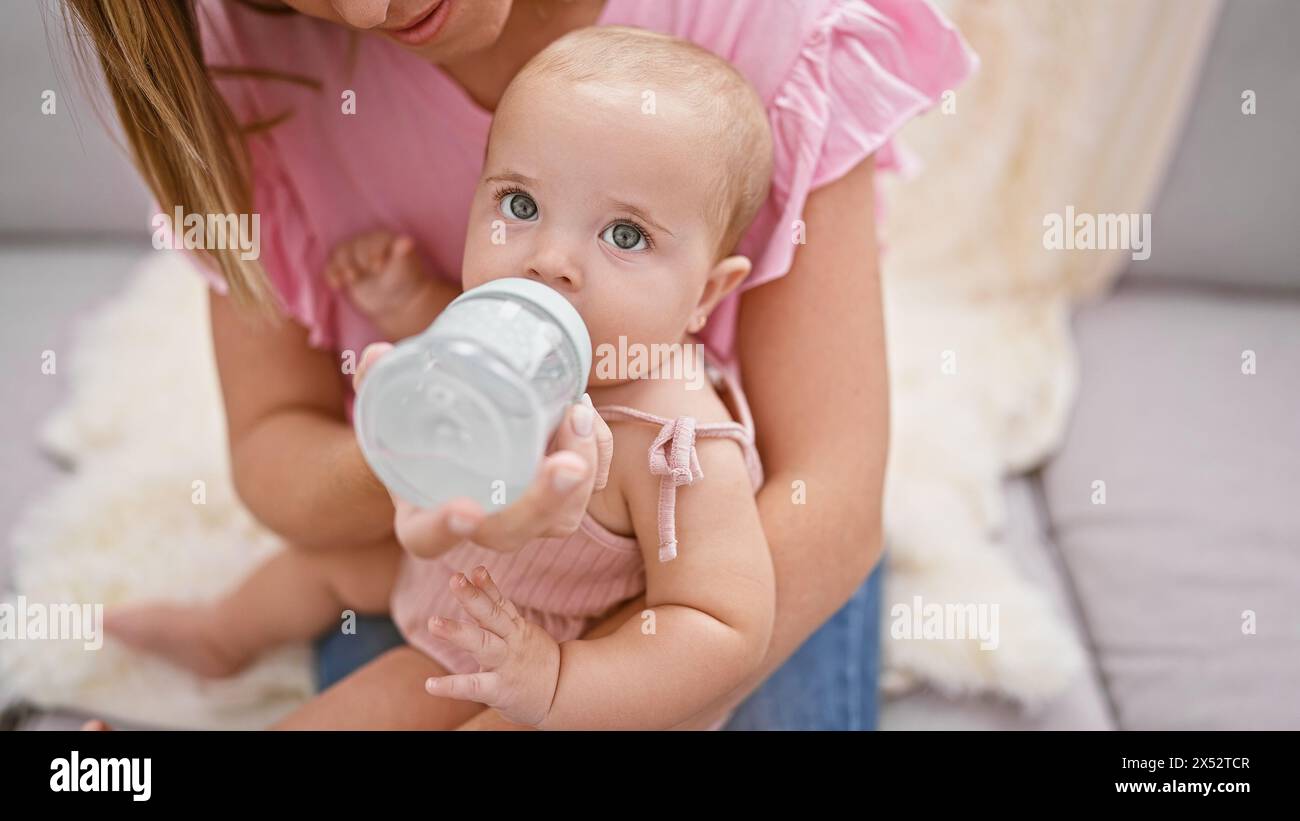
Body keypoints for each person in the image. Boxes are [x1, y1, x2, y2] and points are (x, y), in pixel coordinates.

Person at [64, 0, 976, 729]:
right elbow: (413, 356)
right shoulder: (499, 319)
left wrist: (555, 684)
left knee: (363, 707)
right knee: (316, 570)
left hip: (530, 630)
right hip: (433, 564)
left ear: (709, 293)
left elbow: (721, 623)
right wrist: (407, 343)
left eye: (626, 235)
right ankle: (218, 635)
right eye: (518, 205)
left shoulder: (677, 442)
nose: (550, 261)